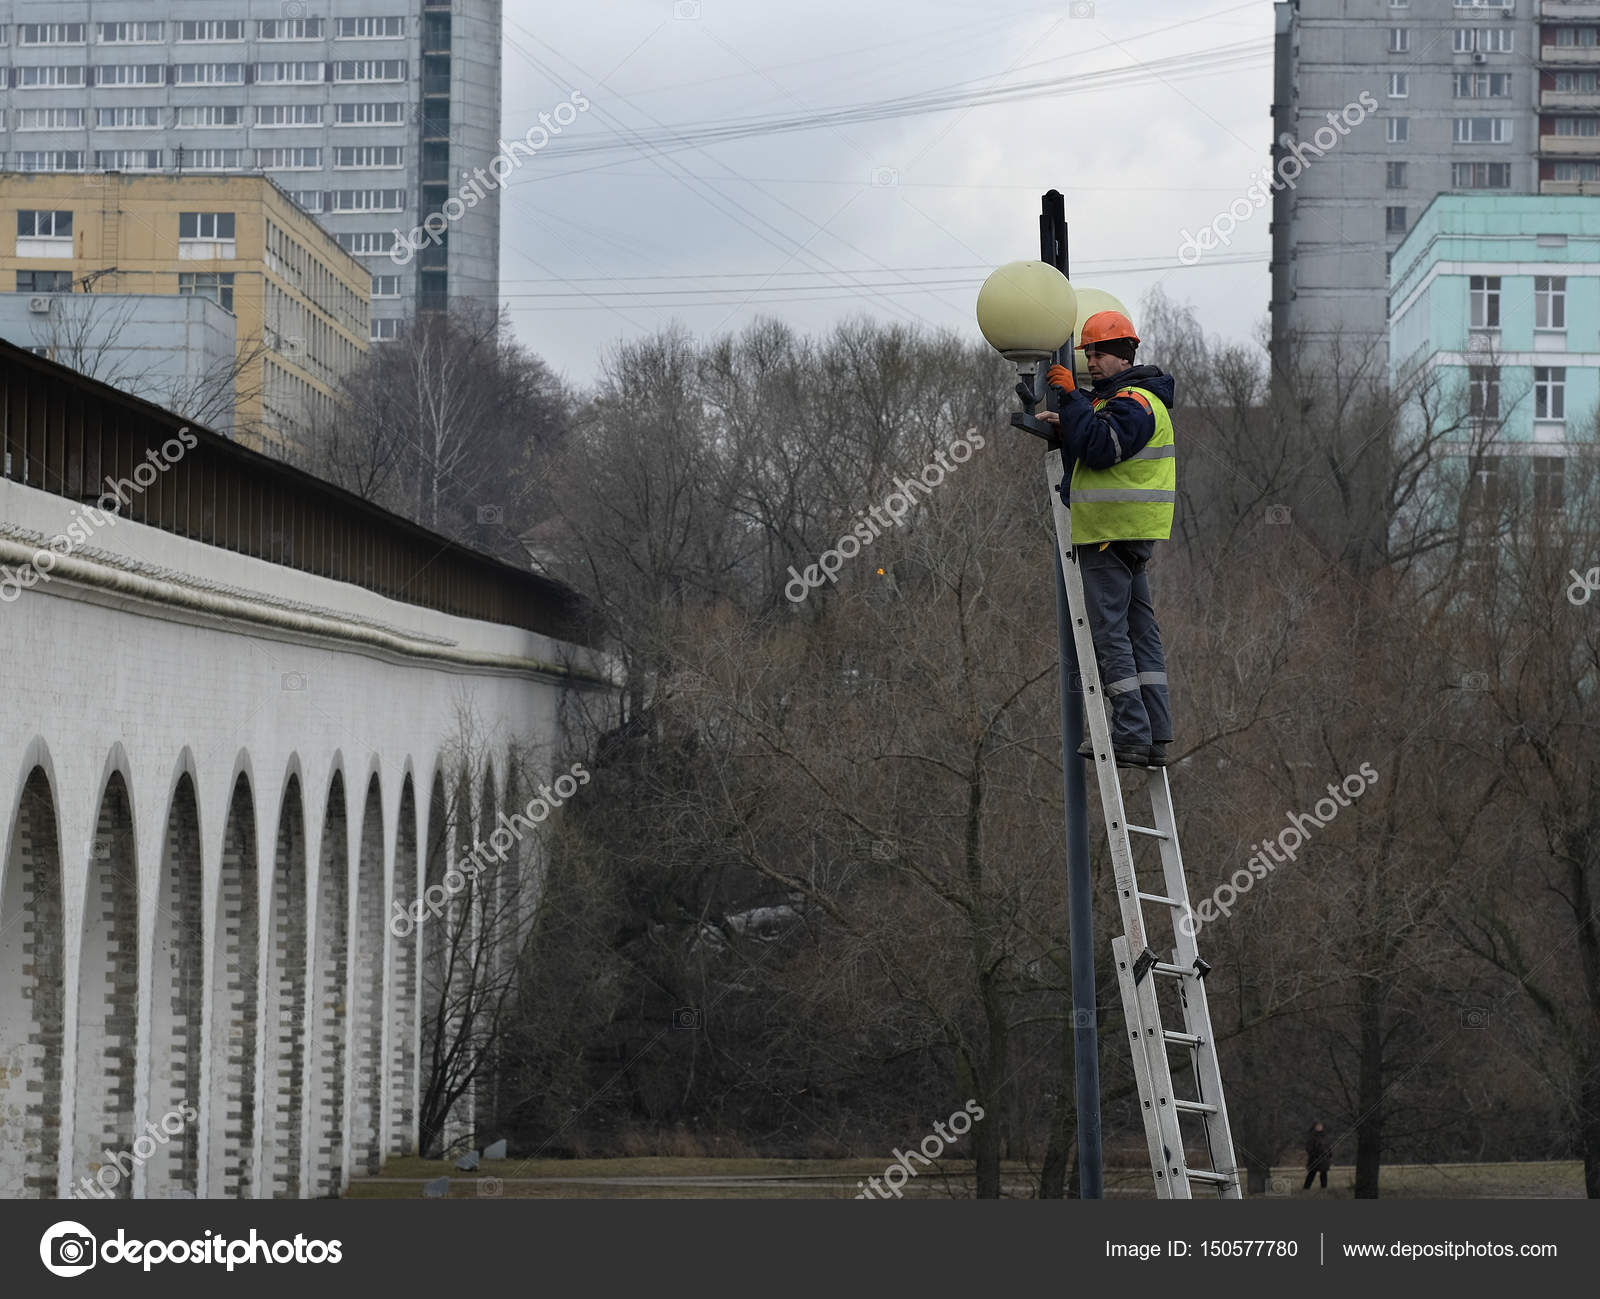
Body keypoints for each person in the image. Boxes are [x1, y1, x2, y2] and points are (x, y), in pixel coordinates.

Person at [1037, 309, 1176, 769]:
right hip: (1126, 534)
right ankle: (1153, 733)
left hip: (1108, 533)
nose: (1090, 361)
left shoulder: (1134, 401)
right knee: (1140, 632)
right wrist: (1070, 418)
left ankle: (1131, 733)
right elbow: (1095, 439)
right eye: (1088, 353)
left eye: (1097, 353)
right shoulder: (1128, 401)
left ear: (1123, 354)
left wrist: (1075, 400)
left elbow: (1101, 448)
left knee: (1110, 636)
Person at [1304, 1121, 1332, 1190]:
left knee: (1324, 1173)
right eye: (1318, 1126)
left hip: (1324, 1159)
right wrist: (1315, 1154)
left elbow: (1328, 1146)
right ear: (1314, 1127)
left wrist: (1330, 1153)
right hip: (1314, 1158)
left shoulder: (1325, 1136)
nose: (1319, 1127)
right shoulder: (1311, 1136)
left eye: (1320, 1126)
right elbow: (1308, 1148)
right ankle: (1306, 1188)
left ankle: (1324, 1188)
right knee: (1312, 1173)